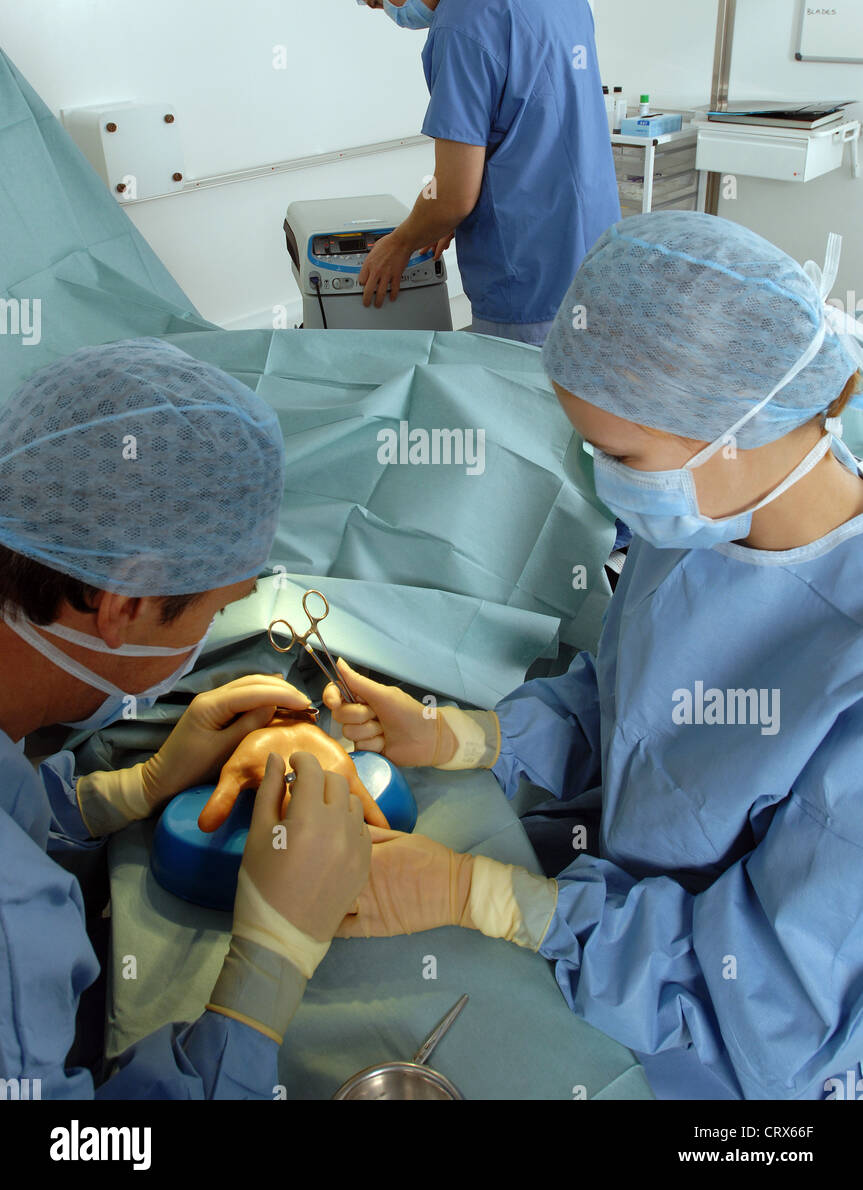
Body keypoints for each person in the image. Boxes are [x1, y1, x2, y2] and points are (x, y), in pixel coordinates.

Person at [322, 211, 863, 1101]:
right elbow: (636, 702)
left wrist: (493, 902)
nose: (609, 484)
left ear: (743, 423)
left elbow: (775, 1007)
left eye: (620, 456)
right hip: (617, 918)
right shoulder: (700, 522)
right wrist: (460, 738)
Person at [0, 337, 370, 1098]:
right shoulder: (11, 925)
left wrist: (123, 792)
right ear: (123, 604)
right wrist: (263, 981)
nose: (210, 637)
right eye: (217, 608)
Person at [336, 0, 620, 342]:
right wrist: (437, 217)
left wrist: (400, 242)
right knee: (585, 399)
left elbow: (453, 195)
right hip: (599, 258)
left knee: (523, 404)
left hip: (529, 280)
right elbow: (527, 121)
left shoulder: (461, 23)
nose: (390, 13)